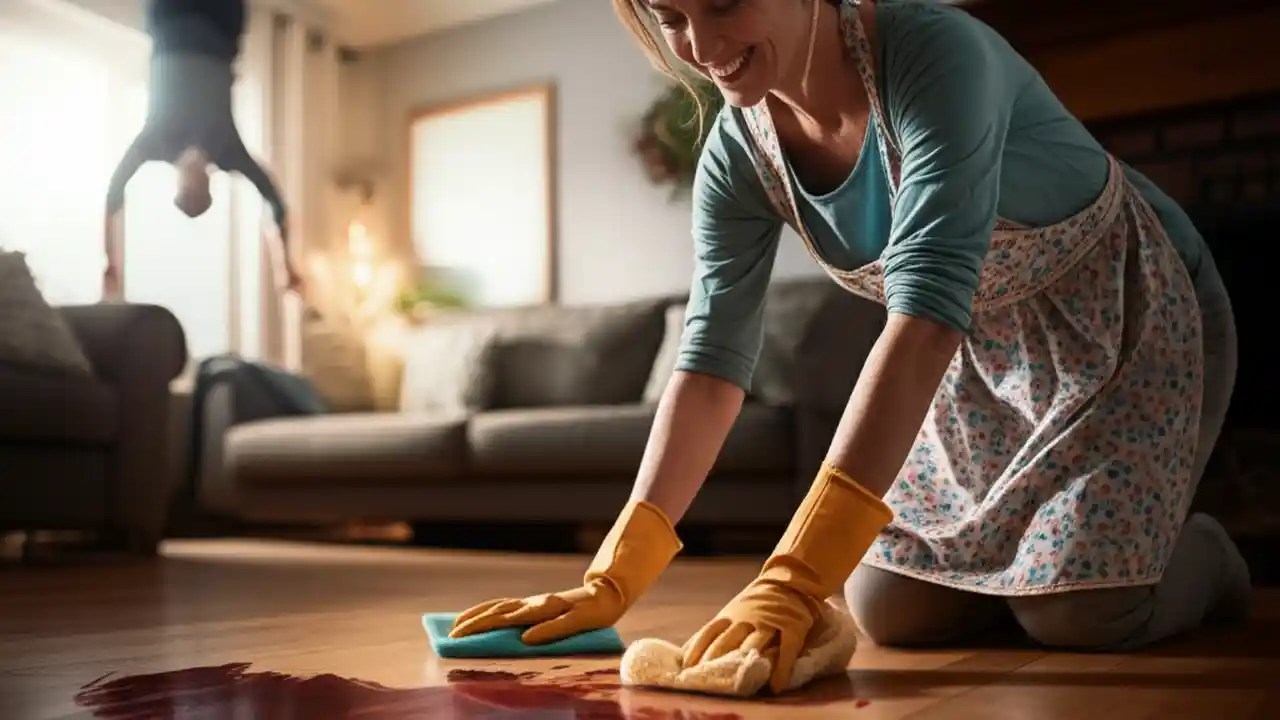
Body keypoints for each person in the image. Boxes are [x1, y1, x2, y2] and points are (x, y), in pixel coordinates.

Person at [449, 0, 1250, 695]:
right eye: (672, 19)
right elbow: (712, 359)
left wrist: (794, 576)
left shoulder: (939, 59)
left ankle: (1202, 556)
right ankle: (1055, 572)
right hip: (978, 355)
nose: (699, 45)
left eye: (724, 3)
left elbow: (927, 310)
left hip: (1122, 314)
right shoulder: (739, 154)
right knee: (893, 610)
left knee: (1083, 614)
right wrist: (616, 571)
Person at [102, 0, 301, 299]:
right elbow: (275, 202)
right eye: (200, 196)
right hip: (220, 28)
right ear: (209, 188)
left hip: (171, 19)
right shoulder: (227, 152)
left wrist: (109, 262)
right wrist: (284, 265)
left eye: (186, 195)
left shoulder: (154, 143)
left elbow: (114, 194)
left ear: (178, 186)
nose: (193, 188)